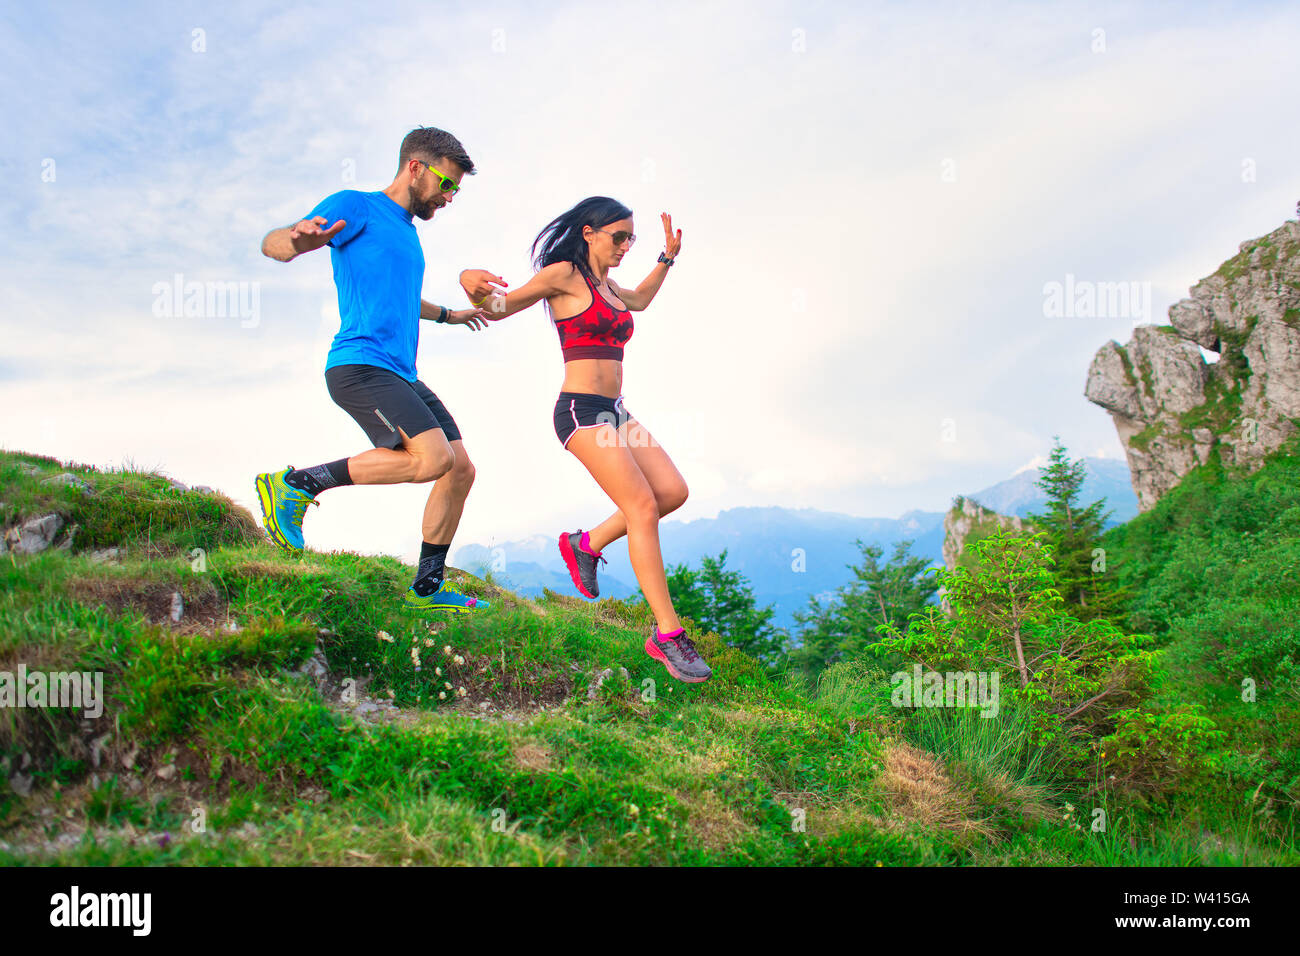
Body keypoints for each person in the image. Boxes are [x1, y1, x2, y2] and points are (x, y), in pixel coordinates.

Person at [458, 198, 711, 681]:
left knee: (672, 493)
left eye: (630, 239)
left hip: (616, 411)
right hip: (580, 411)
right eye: (619, 237)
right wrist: (469, 282)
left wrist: (666, 259)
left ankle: (586, 544)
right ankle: (667, 634)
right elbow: (499, 308)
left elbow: (639, 299)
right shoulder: (563, 276)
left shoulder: (609, 287)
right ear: (590, 232)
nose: (625, 246)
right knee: (641, 508)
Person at [255, 126, 491, 613]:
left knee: (460, 469)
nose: (450, 197)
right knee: (432, 460)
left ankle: (427, 589)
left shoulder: (407, 233)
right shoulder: (358, 205)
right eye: (447, 184)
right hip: (360, 366)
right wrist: (298, 242)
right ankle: (296, 483)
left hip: (401, 371)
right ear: (415, 167)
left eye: (457, 190)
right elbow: (274, 242)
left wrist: (450, 314)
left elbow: (400, 298)